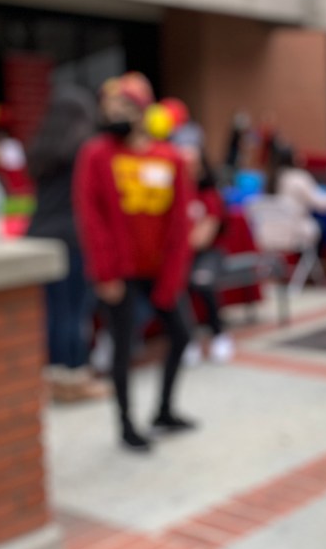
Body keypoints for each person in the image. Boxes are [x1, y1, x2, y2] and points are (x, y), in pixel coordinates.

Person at [73, 72, 198, 451]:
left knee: (181, 333)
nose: (115, 115)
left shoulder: (169, 157)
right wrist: (105, 273)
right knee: (124, 346)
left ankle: (164, 410)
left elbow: (180, 221)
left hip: (159, 268)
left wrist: (173, 275)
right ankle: (126, 424)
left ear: (143, 111)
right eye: (109, 108)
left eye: (123, 107)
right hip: (120, 271)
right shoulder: (97, 154)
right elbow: (90, 217)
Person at [25, 85, 108, 403]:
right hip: (72, 238)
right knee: (75, 313)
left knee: (52, 313)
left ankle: (53, 379)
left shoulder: (41, 147)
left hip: (38, 236)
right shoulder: (85, 149)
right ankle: (75, 379)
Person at [175, 127, 235, 364]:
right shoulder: (174, 195)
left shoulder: (209, 195)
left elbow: (202, 237)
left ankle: (218, 334)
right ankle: (186, 338)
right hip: (180, 255)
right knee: (174, 285)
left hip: (208, 254)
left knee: (201, 280)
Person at [266, 144, 326, 215]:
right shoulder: (298, 178)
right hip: (296, 230)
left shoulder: (273, 178)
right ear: (292, 159)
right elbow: (323, 205)